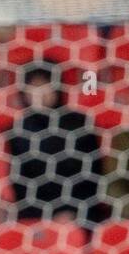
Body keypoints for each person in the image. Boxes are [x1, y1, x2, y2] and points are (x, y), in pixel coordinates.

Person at [7, 64, 106, 225]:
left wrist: (71, 213)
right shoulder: (18, 131)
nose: (39, 93)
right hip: (36, 215)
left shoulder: (80, 123)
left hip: (81, 213)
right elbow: (20, 185)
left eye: (44, 85)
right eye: (33, 86)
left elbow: (94, 176)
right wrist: (47, 217)